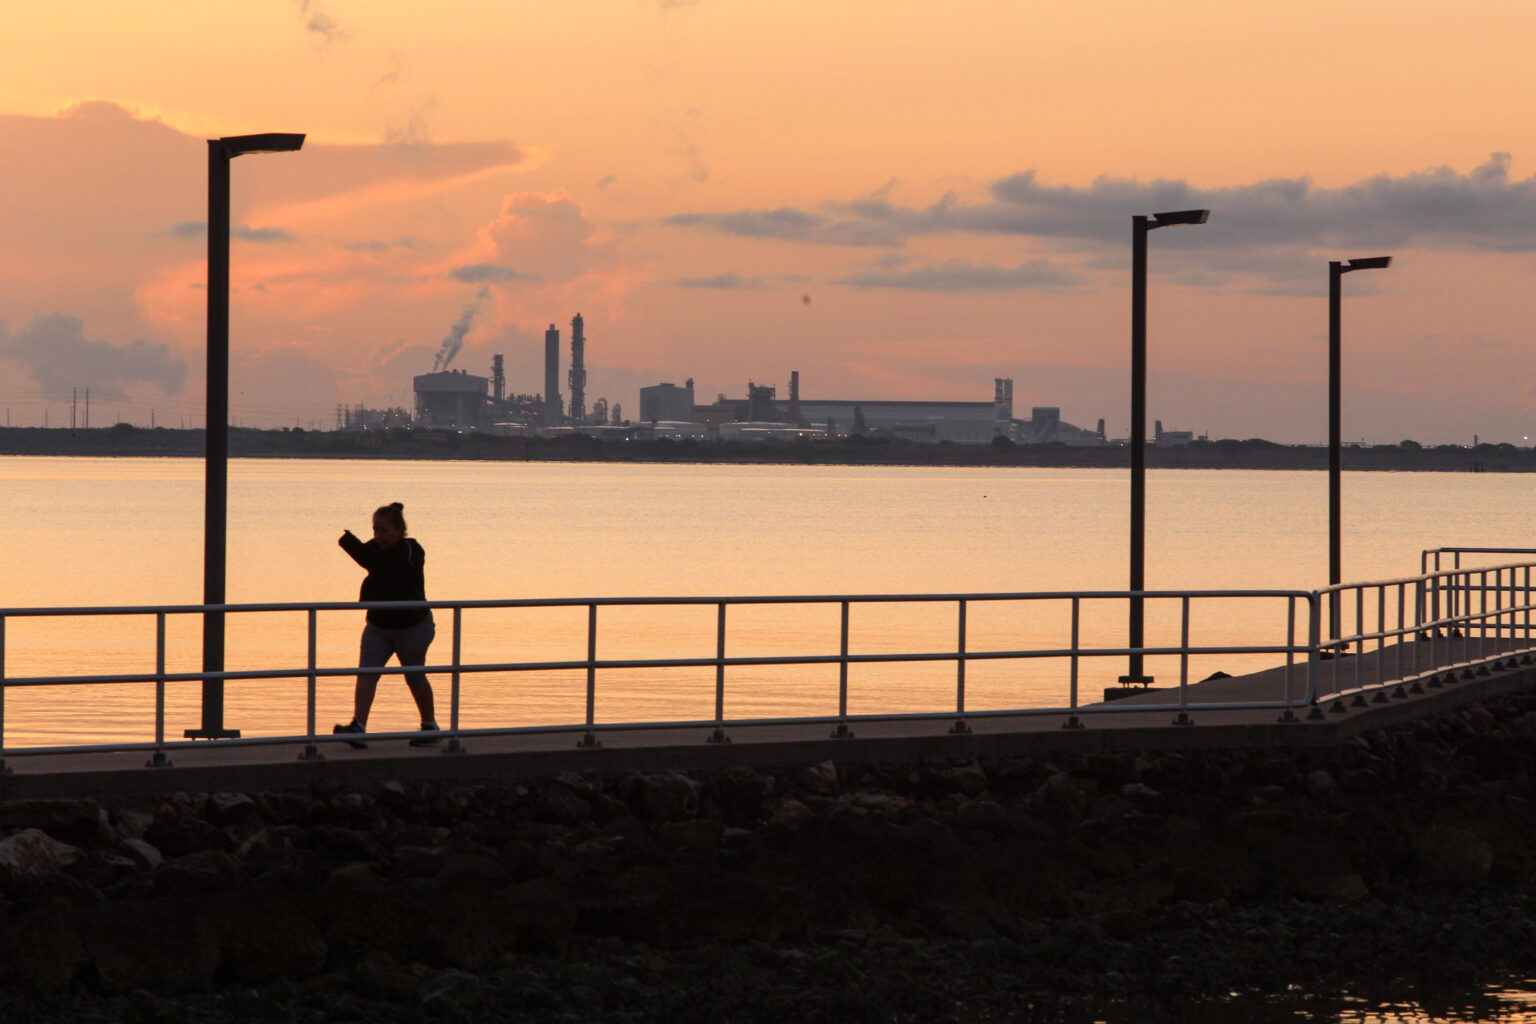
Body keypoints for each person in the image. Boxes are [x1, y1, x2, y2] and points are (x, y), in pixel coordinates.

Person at [333, 502, 440, 748]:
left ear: (399, 530)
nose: (378, 536)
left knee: (414, 675)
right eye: (375, 530)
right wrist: (352, 544)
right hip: (378, 626)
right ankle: (358, 727)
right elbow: (370, 559)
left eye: (383, 530)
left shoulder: (411, 549)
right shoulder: (373, 550)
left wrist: (352, 545)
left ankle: (430, 725)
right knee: (367, 675)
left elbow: (385, 565)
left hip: (413, 626)